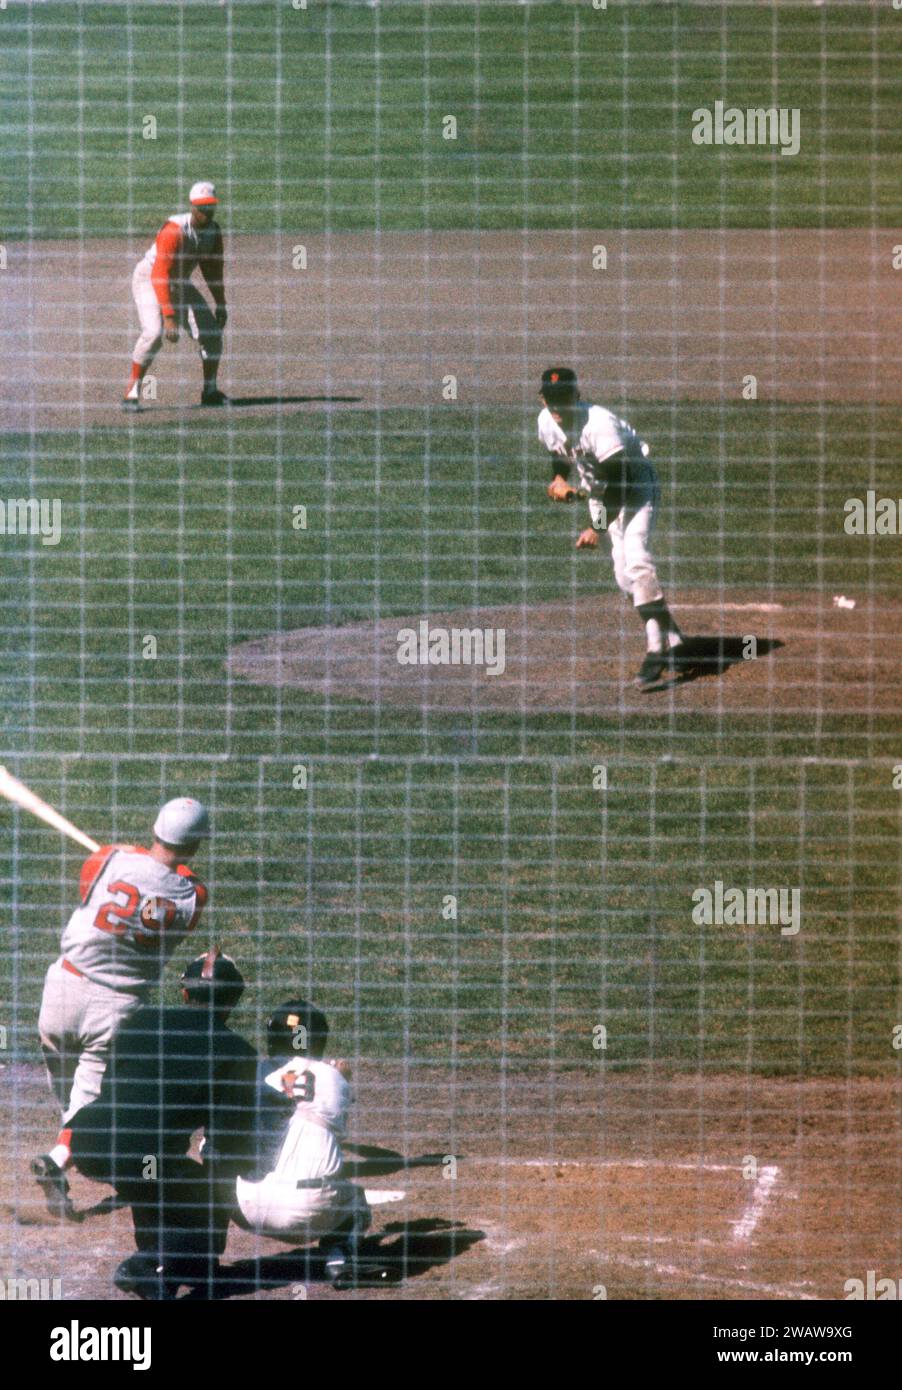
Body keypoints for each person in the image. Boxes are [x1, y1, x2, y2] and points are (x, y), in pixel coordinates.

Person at [31, 797, 209, 1218]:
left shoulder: (109, 858)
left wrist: (133, 861)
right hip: (116, 1006)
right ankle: (61, 1157)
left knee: (67, 1084)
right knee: (88, 1097)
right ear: (197, 844)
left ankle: (64, 1147)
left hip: (63, 989)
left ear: (155, 828)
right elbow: (183, 881)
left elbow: (87, 884)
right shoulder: (193, 897)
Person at [67, 947, 259, 1300]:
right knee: (209, 1188)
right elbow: (228, 1137)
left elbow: (113, 1089)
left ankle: (163, 1269)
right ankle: (155, 1263)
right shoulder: (238, 1053)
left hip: (87, 1139)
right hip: (138, 1156)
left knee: (154, 1174)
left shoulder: (138, 1021)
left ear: (184, 992)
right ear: (234, 1000)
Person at [538, 366, 688, 691]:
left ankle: (656, 651)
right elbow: (559, 454)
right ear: (543, 400)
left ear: (576, 396)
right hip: (600, 496)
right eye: (551, 401)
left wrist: (595, 528)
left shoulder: (599, 425)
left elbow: (619, 484)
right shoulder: (546, 421)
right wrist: (560, 478)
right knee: (623, 577)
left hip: (634, 488)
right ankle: (674, 636)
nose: (557, 407)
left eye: (563, 399)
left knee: (637, 558)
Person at [235, 1000, 371, 1285]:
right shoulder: (334, 1078)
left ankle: (200, 1262)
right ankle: (338, 1259)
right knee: (357, 1200)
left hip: (243, 1208)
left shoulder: (249, 1074)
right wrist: (342, 1076)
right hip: (308, 1213)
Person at [122, 180, 228, 410]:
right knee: (154, 332)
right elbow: (160, 273)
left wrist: (220, 303)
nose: (206, 212)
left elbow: (213, 271)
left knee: (211, 334)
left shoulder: (213, 232)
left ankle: (209, 392)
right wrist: (169, 315)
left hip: (178, 282)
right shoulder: (174, 231)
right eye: (201, 207)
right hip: (150, 278)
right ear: (192, 206)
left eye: (210, 207)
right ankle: (131, 393)